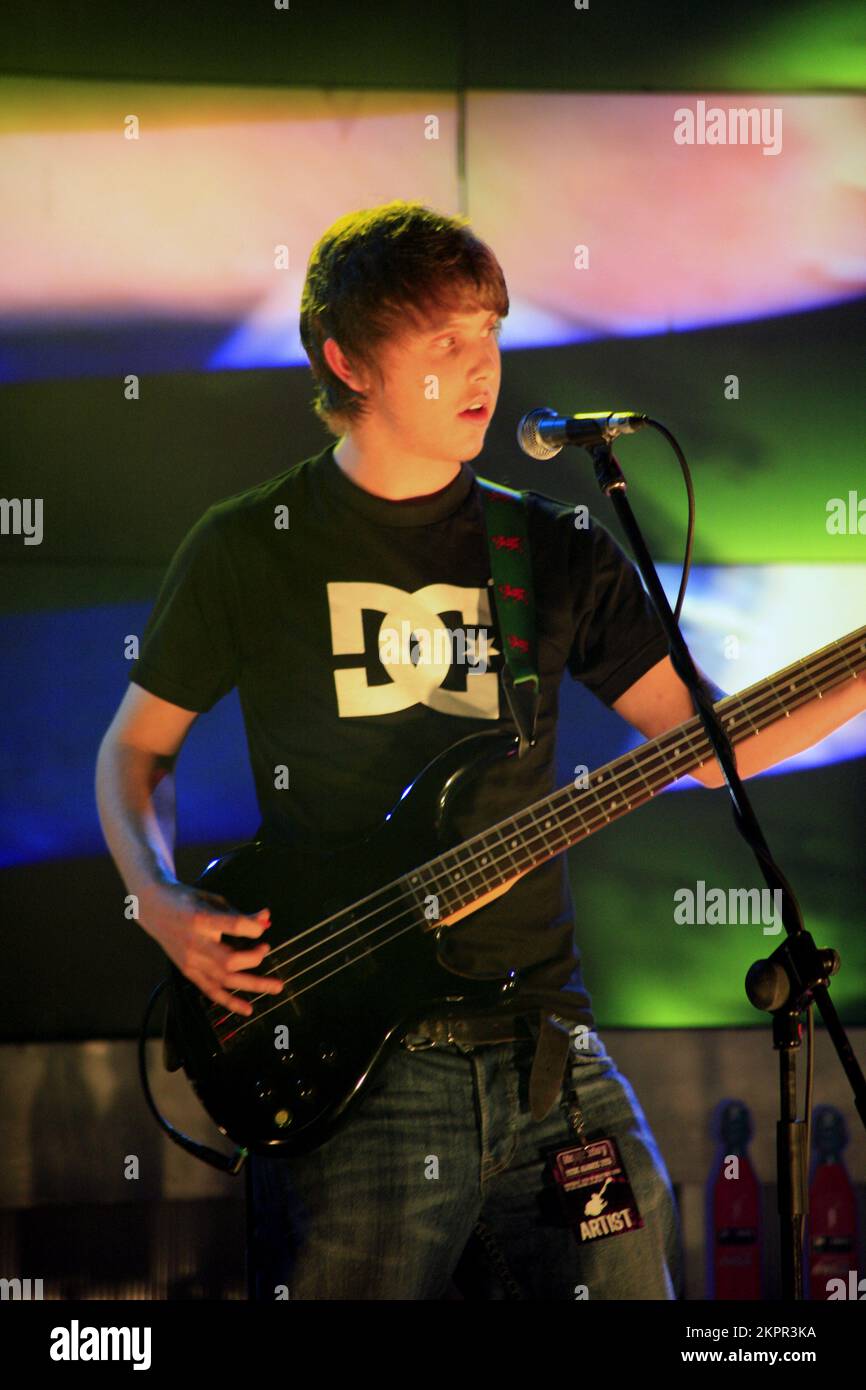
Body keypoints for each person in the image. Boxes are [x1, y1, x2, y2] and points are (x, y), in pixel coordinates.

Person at [95, 201, 866, 1301]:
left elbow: (706, 747)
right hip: (355, 1056)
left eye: (490, 335)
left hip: (547, 1045)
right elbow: (132, 754)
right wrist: (160, 901)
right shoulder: (248, 544)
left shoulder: (549, 547)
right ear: (346, 359)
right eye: (444, 341)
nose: (481, 369)